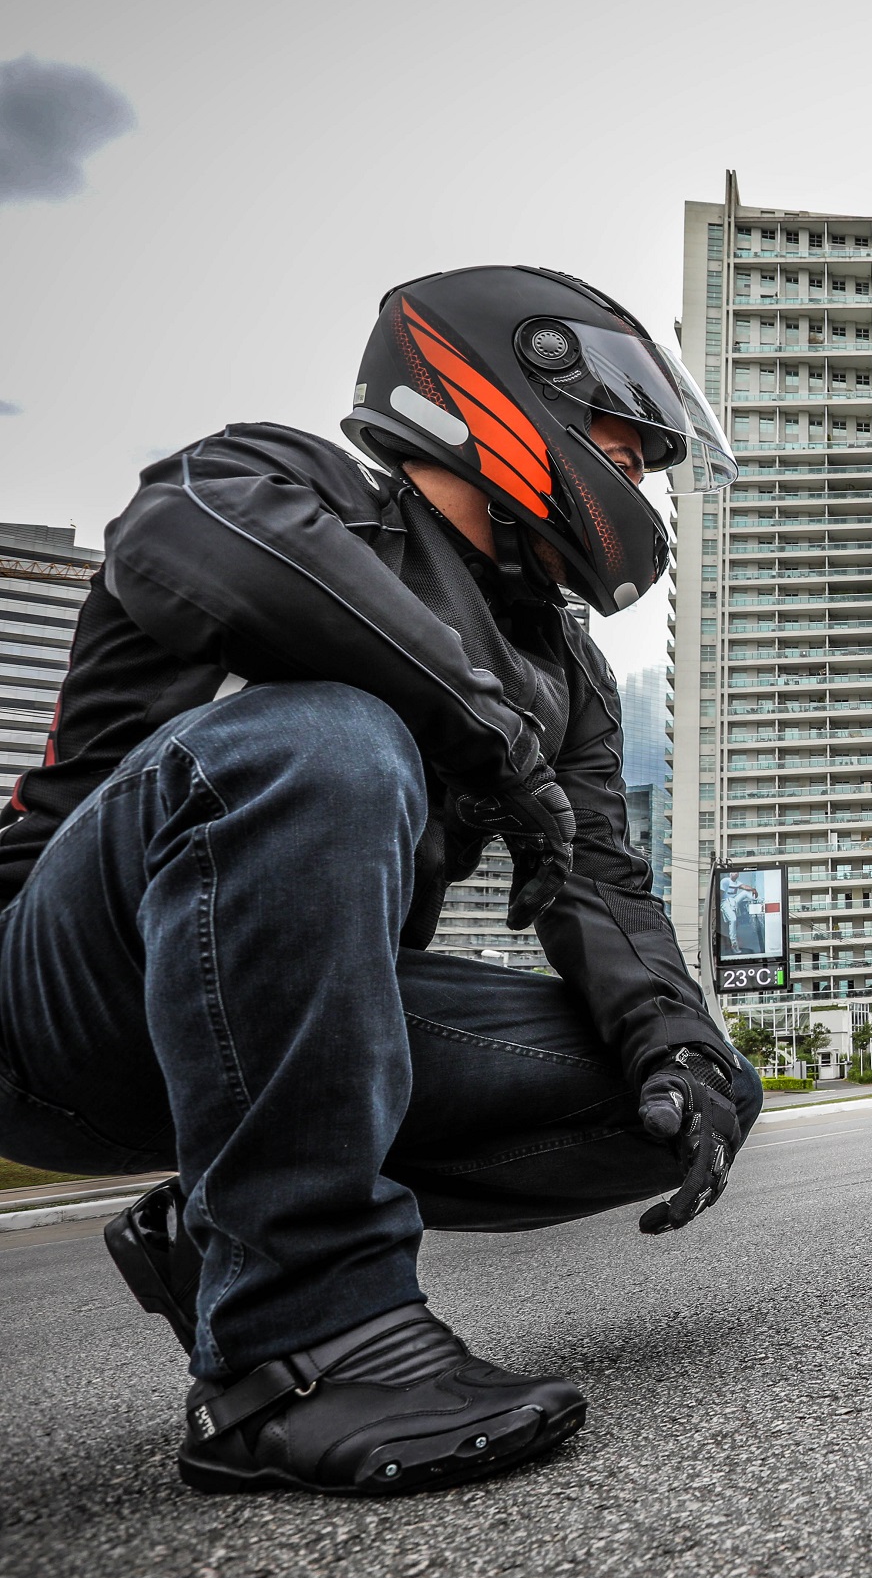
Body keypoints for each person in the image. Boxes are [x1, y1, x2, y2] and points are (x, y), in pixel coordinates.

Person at [0, 266, 762, 1497]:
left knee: (685, 1089)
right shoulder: (272, 479)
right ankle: (295, 1350)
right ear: (505, 385)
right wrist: (481, 725)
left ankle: (222, 1225)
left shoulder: (561, 660)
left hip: (307, 1022)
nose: (636, 461)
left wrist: (673, 1037)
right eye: (623, 428)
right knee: (328, 735)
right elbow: (186, 542)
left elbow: (606, 885)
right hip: (63, 1002)